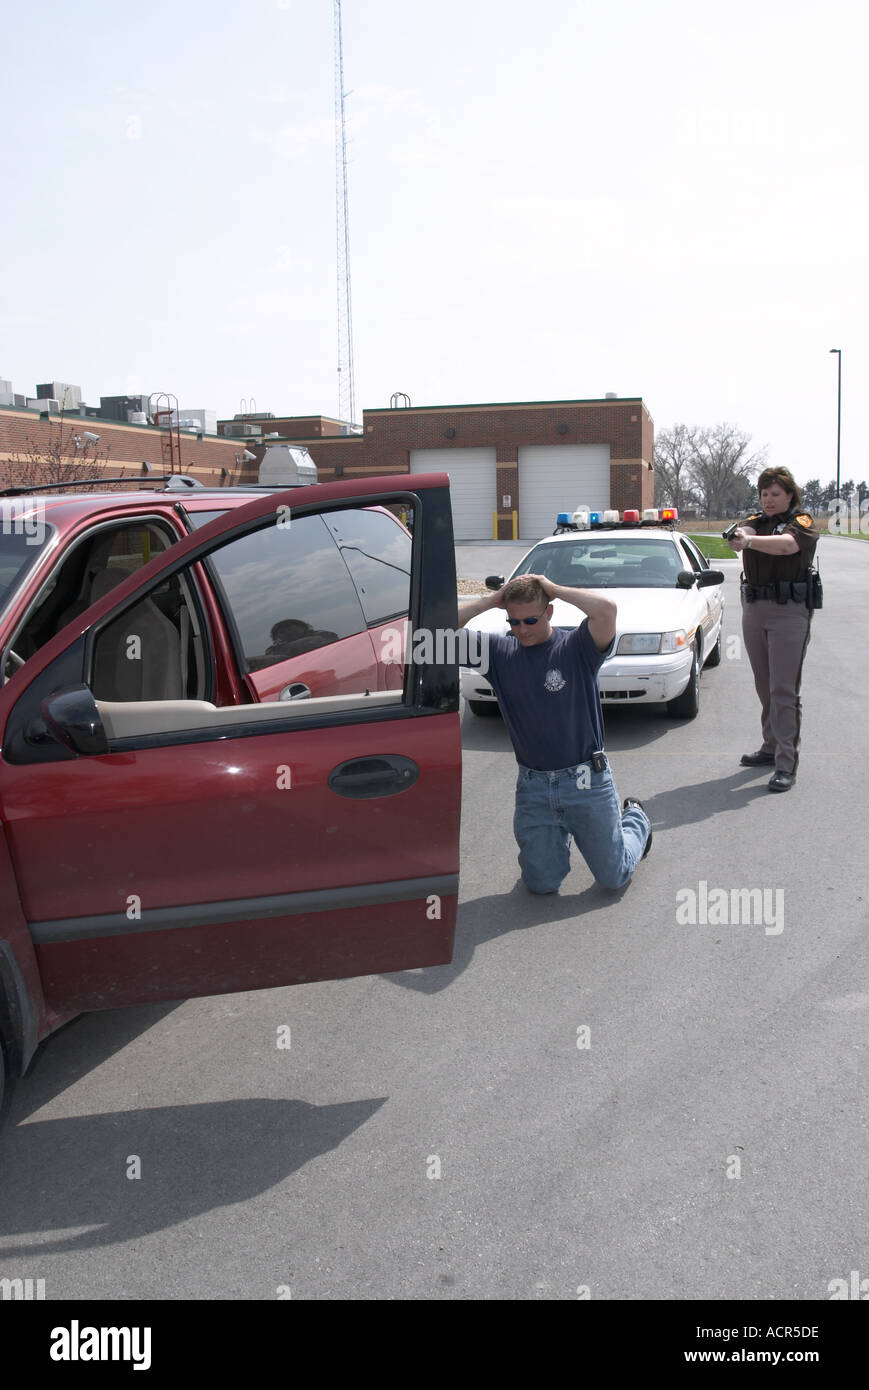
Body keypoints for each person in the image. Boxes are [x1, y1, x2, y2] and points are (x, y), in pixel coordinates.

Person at [458, 574, 652, 893]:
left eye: (530, 620)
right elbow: (432, 632)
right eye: (514, 621)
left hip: (586, 780)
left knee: (613, 876)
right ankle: (555, 847)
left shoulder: (578, 647)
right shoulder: (498, 653)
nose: (521, 629)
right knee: (542, 884)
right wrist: (491, 601)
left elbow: (606, 610)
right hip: (534, 786)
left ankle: (636, 820)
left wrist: (555, 589)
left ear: (549, 612)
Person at [726, 466, 819, 792]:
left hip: (789, 612)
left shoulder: (802, 522)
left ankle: (786, 763)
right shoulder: (755, 521)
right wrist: (739, 537)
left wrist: (748, 543)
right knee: (765, 685)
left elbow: (786, 546)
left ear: (790, 495)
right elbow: (741, 534)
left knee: (783, 689)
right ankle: (770, 747)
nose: (768, 499)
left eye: (775, 494)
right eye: (764, 493)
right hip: (754, 608)